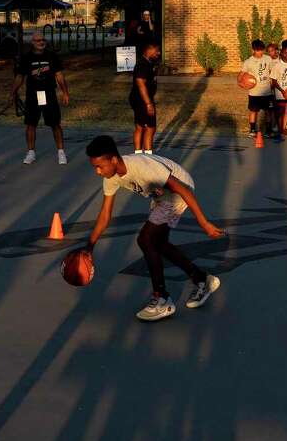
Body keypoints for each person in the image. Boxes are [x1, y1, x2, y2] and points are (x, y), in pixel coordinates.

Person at [81, 135, 226, 322]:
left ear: (114, 160)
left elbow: (183, 190)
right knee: (159, 243)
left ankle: (161, 298)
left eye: (100, 166)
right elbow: (105, 214)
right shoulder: (111, 177)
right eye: (95, 167)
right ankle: (202, 280)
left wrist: (204, 223)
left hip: (179, 190)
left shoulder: (143, 169)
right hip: (162, 194)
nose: (98, 172)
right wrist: (89, 246)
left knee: (146, 239)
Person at [13, 34, 69, 165]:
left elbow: (59, 75)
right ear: (32, 42)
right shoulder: (27, 58)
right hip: (33, 94)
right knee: (31, 124)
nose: (41, 42)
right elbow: (20, 76)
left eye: (43, 40)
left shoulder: (52, 56)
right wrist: (13, 93)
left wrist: (65, 92)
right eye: (38, 40)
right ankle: (31, 152)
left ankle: (61, 152)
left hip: (49, 93)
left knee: (55, 124)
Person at [129, 39, 160, 154]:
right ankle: (148, 155)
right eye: (157, 51)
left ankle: (138, 154)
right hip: (142, 100)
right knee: (150, 127)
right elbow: (140, 83)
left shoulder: (148, 63)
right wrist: (148, 103)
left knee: (140, 126)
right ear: (149, 50)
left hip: (139, 99)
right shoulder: (143, 65)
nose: (158, 53)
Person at [240, 39, 275, 139]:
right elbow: (241, 74)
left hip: (267, 91)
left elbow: (272, 72)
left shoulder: (268, 59)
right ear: (253, 50)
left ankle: (269, 131)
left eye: (262, 50)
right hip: (254, 92)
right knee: (253, 111)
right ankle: (252, 130)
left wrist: (273, 84)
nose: (260, 52)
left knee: (268, 111)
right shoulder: (248, 62)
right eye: (258, 50)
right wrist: (240, 83)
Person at [263, 42, 280, 137]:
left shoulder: (281, 60)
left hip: (279, 88)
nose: (271, 53)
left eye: (272, 50)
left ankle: (278, 126)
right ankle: (269, 129)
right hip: (269, 88)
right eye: (269, 51)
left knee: (279, 109)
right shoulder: (267, 60)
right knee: (269, 110)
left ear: (277, 50)